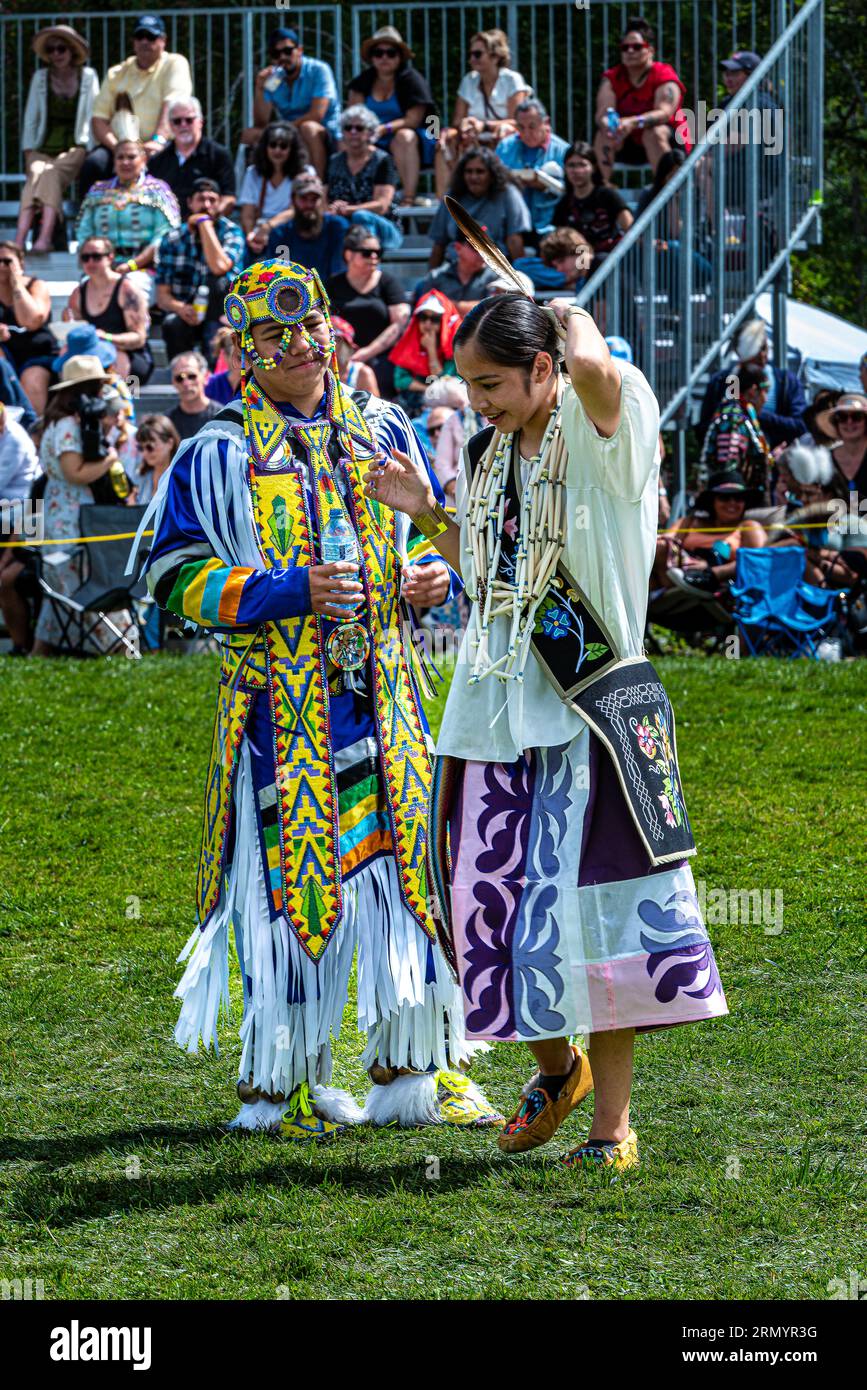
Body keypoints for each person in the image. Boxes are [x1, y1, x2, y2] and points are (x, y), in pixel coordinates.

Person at [127, 256, 501, 1135]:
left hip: (389, 695)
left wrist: (432, 576)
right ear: (242, 352)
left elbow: (444, 532)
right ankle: (285, 1086)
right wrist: (282, 591)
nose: (298, 345)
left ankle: (418, 1068)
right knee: (289, 885)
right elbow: (171, 576)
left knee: (411, 877)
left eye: (309, 327)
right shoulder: (219, 450)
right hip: (280, 710)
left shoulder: (381, 426)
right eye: (272, 334)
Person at [361, 292, 728, 1170]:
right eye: (464, 383)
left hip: (589, 712)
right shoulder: (488, 455)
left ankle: (612, 1129)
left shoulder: (608, 432)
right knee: (484, 904)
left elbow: (597, 368)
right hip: (491, 711)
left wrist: (568, 314)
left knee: (596, 918)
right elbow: (493, 573)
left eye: (489, 382)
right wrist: (424, 511)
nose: (475, 400)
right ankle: (553, 1071)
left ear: (542, 366)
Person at [32, 354, 132, 655]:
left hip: (58, 511)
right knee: (85, 583)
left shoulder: (57, 421)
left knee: (63, 590)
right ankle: (122, 647)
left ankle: (41, 652)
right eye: (98, 386)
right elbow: (74, 473)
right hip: (69, 516)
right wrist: (111, 458)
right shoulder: (66, 425)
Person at [79, 14, 192, 198]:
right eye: (140, 37)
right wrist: (120, 149)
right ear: (133, 42)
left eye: (151, 37)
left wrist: (158, 140)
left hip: (159, 143)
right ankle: (87, 221)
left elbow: (172, 106)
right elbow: (98, 119)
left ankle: (166, 223)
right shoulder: (117, 73)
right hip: (120, 145)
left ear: (163, 40)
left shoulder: (174, 64)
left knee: (163, 165)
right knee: (94, 164)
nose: (145, 42)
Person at [18, 26, 100, 254]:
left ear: (72, 51)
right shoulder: (40, 78)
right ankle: (20, 241)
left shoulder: (88, 76)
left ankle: (43, 237)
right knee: (37, 173)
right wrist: (28, 151)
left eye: (61, 48)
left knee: (49, 174)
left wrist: (88, 148)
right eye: (51, 50)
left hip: (76, 145)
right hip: (43, 146)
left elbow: (93, 115)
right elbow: (31, 118)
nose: (56, 54)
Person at [75, 125, 181, 285]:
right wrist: (97, 261)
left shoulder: (157, 190)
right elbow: (84, 231)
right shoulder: (97, 191)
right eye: (120, 157)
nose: (125, 162)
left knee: (131, 287)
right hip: (101, 267)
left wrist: (133, 264)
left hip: (145, 270)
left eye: (131, 157)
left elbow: (165, 235)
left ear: (143, 160)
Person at [155, 177, 245, 362]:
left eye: (212, 200)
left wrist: (204, 224)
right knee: (172, 325)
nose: (206, 204)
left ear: (219, 203)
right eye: (201, 199)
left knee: (218, 283)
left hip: (221, 314)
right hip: (186, 312)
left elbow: (219, 267)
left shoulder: (231, 232)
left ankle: (212, 377)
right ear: (189, 202)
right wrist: (181, 308)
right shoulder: (172, 239)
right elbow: (162, 295)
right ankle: (183, 376)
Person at [347, 26, 438, 206]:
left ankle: (408, 198)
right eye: (378, 53)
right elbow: (352, 116)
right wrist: (364, 133)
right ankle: (351, 197)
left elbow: (414, 120)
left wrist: (384, 128)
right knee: (346, 138)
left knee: (403, 137)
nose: (384, 58)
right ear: (372, 57)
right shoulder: (361, 82)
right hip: (370, 137)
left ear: (400, 56)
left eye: (391, 53)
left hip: (412, 139)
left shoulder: (412, 80)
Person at [593, 16, 691, 181]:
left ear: (650, 51)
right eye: (625, 47)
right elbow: (603, 112)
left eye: (637, 47)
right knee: (604, 134)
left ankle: (667, 192)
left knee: (652, 133)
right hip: (629, 141)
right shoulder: (612, 77)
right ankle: (602, 191)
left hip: (670, 140)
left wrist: (633, 122)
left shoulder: (664, 75)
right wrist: (610, 126)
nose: (630, 51)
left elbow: (664, 113)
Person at [435, 30, 531, 197]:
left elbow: (518, 122)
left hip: (504, 136)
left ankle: (503, 194)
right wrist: (466, 127)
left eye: (477, 54)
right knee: (444, 140)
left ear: (495, 56)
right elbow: (458, 121)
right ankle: (446, 199)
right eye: (470, 54)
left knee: (504, 132)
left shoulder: (511, 80)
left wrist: (484, 126)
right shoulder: (469, 80)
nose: (472, 59)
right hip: (475, 138)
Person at [247, 26, 341, 178]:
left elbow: (316, 115)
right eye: (276, 54)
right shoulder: (274, 78)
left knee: (308, 128)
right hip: (289, 130)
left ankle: (318, 186)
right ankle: (258, 190)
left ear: (300, 50)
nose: (282, 57)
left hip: (323, 132)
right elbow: (261, 122)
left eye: (287, 51)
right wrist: (259, 89)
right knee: (250, 134)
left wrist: (285, 129)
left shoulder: (319, 70)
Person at [698, 319, 807, 449]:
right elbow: (704, 429)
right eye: (757, 350)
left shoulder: (786, 381)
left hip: (777, 462)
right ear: (740, 352)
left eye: (765, 348)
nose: (763, 355)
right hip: (732, 462)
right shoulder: (725, 381)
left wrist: (755, 414)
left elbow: (800, 426)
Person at [325, 226, 409, 394]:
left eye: (378, 252)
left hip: (382, 357)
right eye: (367, 252)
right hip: (341, 358)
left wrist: (365, 353)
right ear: (349, 255)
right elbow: (324, 321)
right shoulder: (333, 284)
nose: (374, 257)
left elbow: (398, 324)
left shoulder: (388, 282)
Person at [658, 470, 767, 598]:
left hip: (720, 583)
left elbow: (758, 561)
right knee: (658, 546)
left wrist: (709, 567)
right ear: (712, 501)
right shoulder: (689, 521)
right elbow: (665, 542)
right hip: (675, 570)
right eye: (724, 497)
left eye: (738, 498)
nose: (732, 503)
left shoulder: (749, 526)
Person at [64, 235, 152, 384]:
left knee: (116, 357)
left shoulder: (127, 290)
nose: (90, 262)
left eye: (96, 256)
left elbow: (139, 338)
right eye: (85, 257)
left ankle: (123, 404)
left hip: (131, 356)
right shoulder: (78, 293)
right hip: (93, 354)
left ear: (110, 257)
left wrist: (107, 338)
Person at [428, 148, 531, 270]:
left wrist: (521, 277)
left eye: (480, 172)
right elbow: (439, 244)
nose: (473, 177)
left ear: (492, 175)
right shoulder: (452, 197)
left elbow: (514, 240)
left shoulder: (507, 194)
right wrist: (431, 278)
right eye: (469, 172)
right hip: (455, 267)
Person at [699, 362, 780, 501]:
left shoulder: (740, 415)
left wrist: (771, 456)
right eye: (766, 391)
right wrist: (732, 503)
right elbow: (728, 469)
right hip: (733, 505)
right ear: (753, 391)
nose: (766, 399)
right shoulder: (733, 420)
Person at [325, 107, 403, 250]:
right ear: (342, 132)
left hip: (383, 229)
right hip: (345, 227)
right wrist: (332, 208)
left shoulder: (383, 160)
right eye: (348, 128)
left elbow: (382, 205)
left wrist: (349, 209)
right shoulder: (333, 162)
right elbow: (323, 198)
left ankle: (367, 259)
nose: (353, 132)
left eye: (359, 128)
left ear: (370, 132)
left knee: (361, 217)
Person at [0, 401, 43, 654]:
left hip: (25, 519)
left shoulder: (15, 440)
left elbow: (31, 512)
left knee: (6, 579)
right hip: (14, 516)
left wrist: (5, 561)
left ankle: (22, 644)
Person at [147, 97, 235, 219]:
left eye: (189, 120)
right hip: (167, 230)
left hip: (207, 227)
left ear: (200, 122)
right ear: (170, 126)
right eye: (177, 121)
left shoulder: (219, 155)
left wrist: (209, 219)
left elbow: (228, 198)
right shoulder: (157, 161)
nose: (183, 125)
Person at [495, 100, 569, 241]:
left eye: (532, 127)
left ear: (546, 123)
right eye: (521, 128)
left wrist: (547, 186)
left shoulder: (563, 151)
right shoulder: (505, 147)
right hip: (510, 223)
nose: (526, 133)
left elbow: (573, 191)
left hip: (549, 226)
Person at [239, 123, 312, 260]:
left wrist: (268, 227)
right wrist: (250, 234)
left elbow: (296, 210)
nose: (277, 150)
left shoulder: (305, 173)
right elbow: (247, 212)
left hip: (291, 228)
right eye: (273, 145)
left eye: (283, 146)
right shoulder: (253, 173)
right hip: (259, 230)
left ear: (292, 149)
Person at [552, 141, 633, 262]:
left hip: (607, 260)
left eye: (582, 165)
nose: (577, 171)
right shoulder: (564, 203)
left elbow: (630, 228)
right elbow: (558, 239)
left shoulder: (607, 195)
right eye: (571, 165)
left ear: (593, 167)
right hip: (577, 260)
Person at [0, 243, 55, 416]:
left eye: (7, 261)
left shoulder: (36, 285)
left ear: (20, 264)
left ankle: (32, 434)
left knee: (32, 380)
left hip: (37, 356)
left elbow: (31, 321)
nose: (1, 266)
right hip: (5, 358)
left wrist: (16, 282)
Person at [264, 172, 348, 281]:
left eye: (314, 199)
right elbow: (277, 279)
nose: (309, 205)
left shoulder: (337, 227)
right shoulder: (280, 235)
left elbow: (339, 273)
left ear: (322, 201)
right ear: (293, 200)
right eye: (304, 198)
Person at [389, 291, 461, 416]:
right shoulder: (410, 342)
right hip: (414, 404)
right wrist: (427, 389)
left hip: (447, 406)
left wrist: (431, 351)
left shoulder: (454, 348)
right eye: (423, 317)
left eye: (434, 319)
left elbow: (444, 382)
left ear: (444, 320)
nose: (428, 324)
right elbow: (400, 380)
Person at [412, 228, 497, 314]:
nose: (482, 253)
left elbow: (494, 310)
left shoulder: (496, 278)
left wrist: (446, 305)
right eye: (476, 247)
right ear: (458, 248)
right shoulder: (435, 277)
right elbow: (426, 313)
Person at [515, 226, 594, 292]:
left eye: (561, 261)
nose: (559, 270)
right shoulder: (580, 275)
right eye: (555, 267)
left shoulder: (600, 269)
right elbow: (519, 265)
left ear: (577, 252)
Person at [166, 350, 221, 441]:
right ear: (173, 382)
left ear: (206, 377)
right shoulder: (167, 423)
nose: (186, 383)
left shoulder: (223, 417)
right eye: (179, 378)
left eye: (191, 376)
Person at [131, 412, 178, 505]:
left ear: (170, 443)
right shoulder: (139, 477)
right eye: (141, 448)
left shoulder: (182, 479)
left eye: (150, 446)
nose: (145, 453)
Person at [826, 393, 867, 497]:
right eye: (842, 417)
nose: (849, 422)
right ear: (836, 423)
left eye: (856, 417)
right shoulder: (825, 460)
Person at [330, 315, 379, 396]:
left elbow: (376, 407)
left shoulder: (362, 373)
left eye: (335, 338)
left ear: (345, 344)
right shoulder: (319, 371)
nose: (330, 343)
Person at [204, 327, 242, 407]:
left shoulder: (261, 383)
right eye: (239, 358)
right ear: (225, 357)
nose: (246, 363)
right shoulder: (211, 384)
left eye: (251, 357)